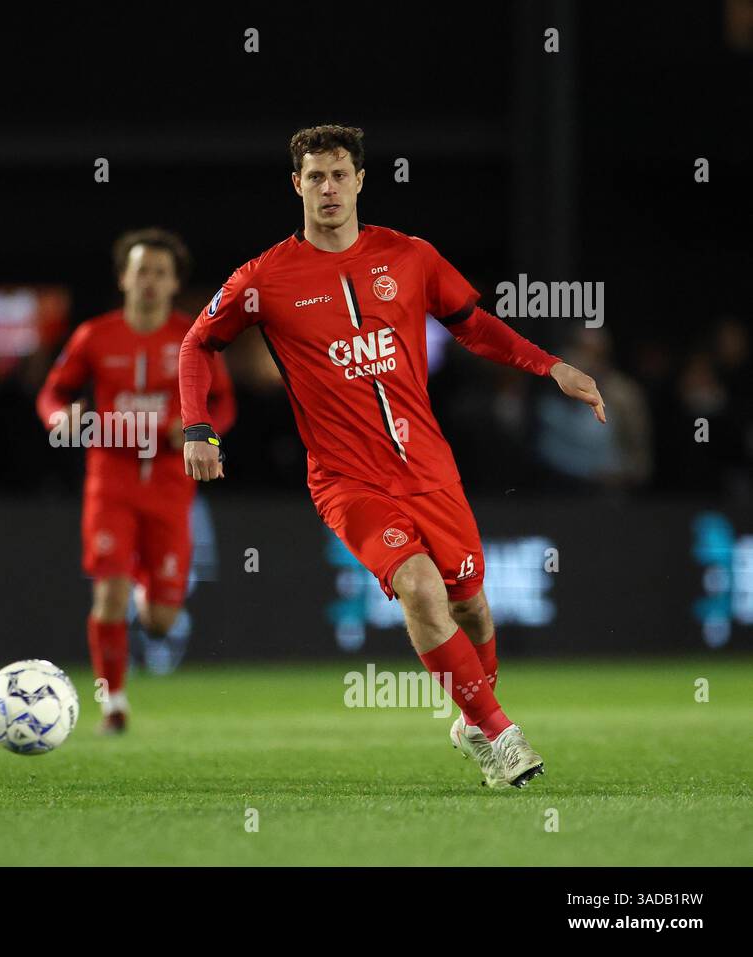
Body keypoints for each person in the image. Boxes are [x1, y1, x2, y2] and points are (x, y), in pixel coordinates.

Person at [180, 126, 606, 788]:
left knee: (472, 606)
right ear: (296, 185)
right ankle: (502, 733)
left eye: (339, 174)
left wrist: (551, 368)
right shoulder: (263, 278)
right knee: (419, 585)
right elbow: (195, 345)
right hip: (348, 481)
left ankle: (473, 718)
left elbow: (473, 326)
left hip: (431, 468)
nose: (328, 188)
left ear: (360, 180)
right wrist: (197, 430)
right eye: (315, 176)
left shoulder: (409, 256)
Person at [37, 229, 235, 732]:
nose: (149, 281)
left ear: (174, 284)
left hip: (171, 488)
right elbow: (52, 395)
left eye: (160, 273)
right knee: (109, 592)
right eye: (141, 270)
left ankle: (154, 592)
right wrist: (59, 419)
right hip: (112, 482)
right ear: (124, 277)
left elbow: (225, 406)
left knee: (160, 620)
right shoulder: (94, 336)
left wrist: (196, 430)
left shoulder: (193, 339)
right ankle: (114, 703)